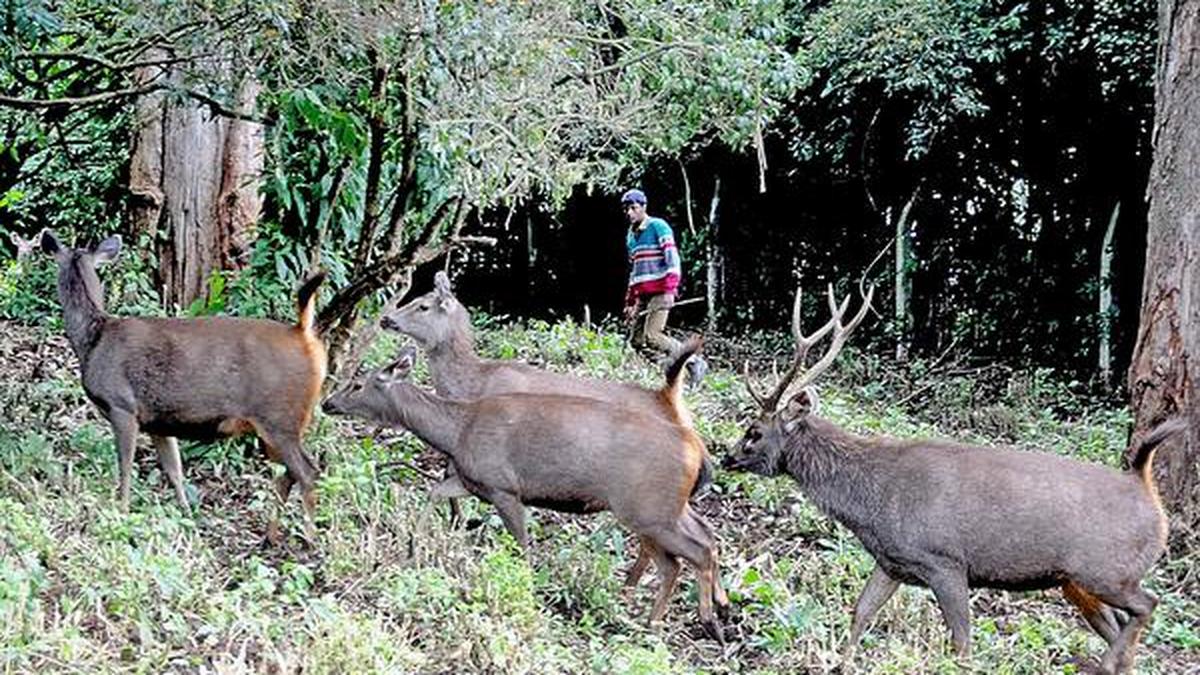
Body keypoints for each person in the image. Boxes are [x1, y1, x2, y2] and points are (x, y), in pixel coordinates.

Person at [620, 188, 707, 385]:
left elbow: (673, 260)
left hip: (661, 290)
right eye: (626, 209)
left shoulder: (658, 226)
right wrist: (630, 302)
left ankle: (693, 361)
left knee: (653, 335)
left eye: (633, 208)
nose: (630, 213)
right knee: (637, 341)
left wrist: (670, 289)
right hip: (643, 294)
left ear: (643, 207)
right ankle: (672, 368)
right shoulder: (631, 236)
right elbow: (634, 272)